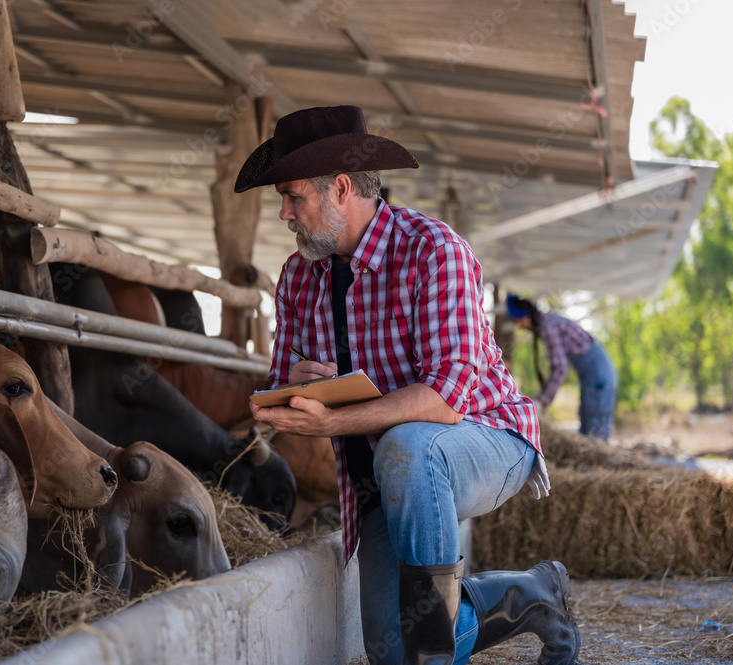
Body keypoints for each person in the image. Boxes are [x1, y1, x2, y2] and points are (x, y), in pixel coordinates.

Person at [237, 105, 579, 665]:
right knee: (389, 649)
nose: (283, 214)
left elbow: (445, 400)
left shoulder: (434, 251)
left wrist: (335, 417)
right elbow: (281, 383)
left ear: (340, 189)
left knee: (408, 448)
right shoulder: (298, 277)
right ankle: (535, 597)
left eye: (293, 196)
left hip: (485, 438)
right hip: (382, 472)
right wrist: (298, 389)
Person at [505, 295, 618, 440]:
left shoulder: (548, 327)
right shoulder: (550, 321)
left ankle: (600, 462)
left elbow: (560, 368)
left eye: (518, 322)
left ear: (525, 317)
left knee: (596, 431)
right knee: (586, 419)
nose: (520, 327)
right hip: (595, 373)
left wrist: (543, 400)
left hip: (598, 375)